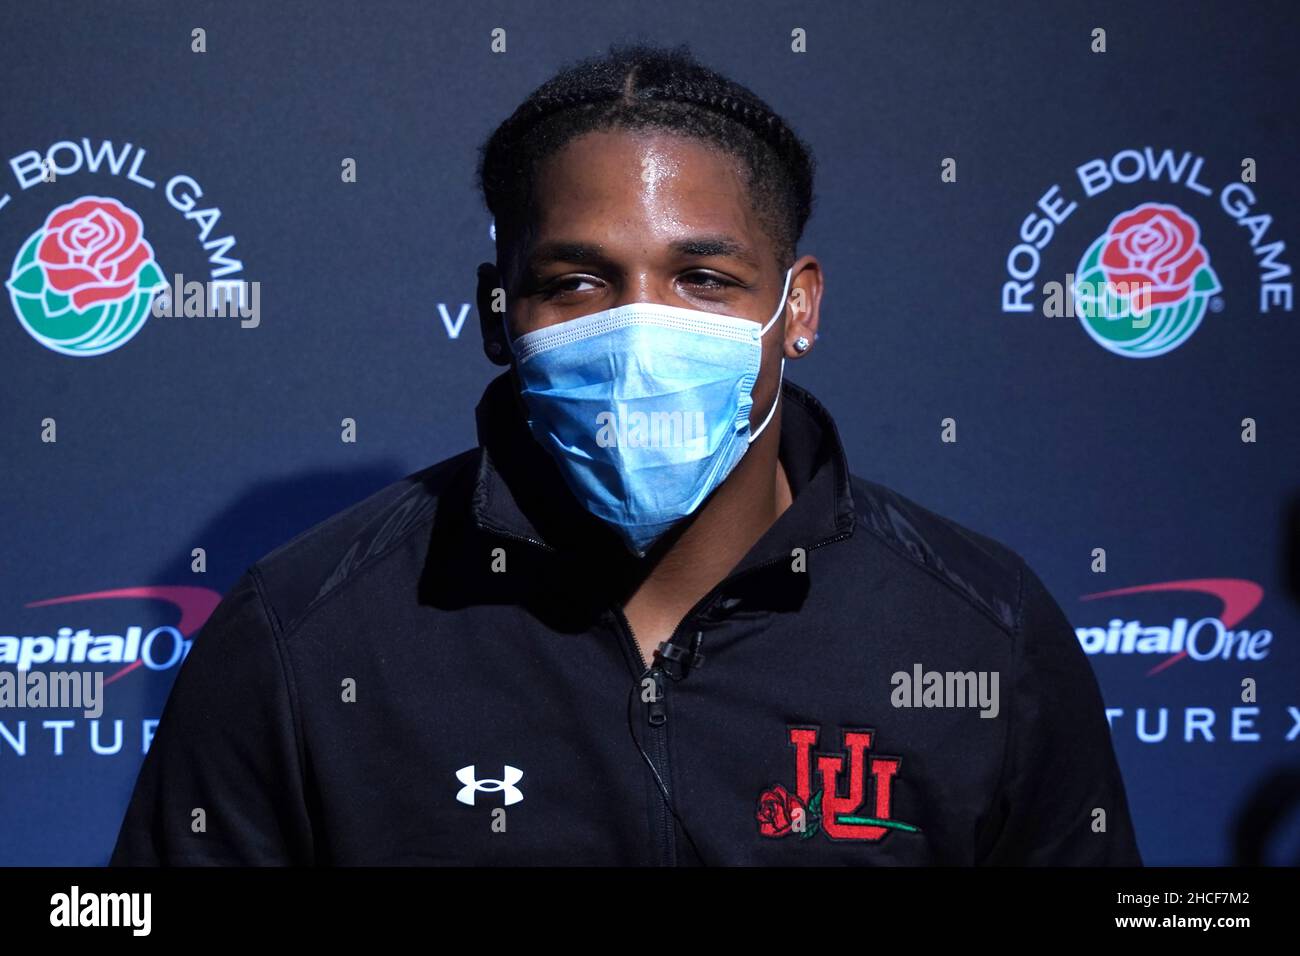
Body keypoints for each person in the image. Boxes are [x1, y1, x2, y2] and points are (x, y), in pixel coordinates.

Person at [110, 41, 1142, 866]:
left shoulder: (977, 628)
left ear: (799, 308)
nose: (641, 333)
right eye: (577, 281)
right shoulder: (309, 634)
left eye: (701, 278)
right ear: (494, 312)